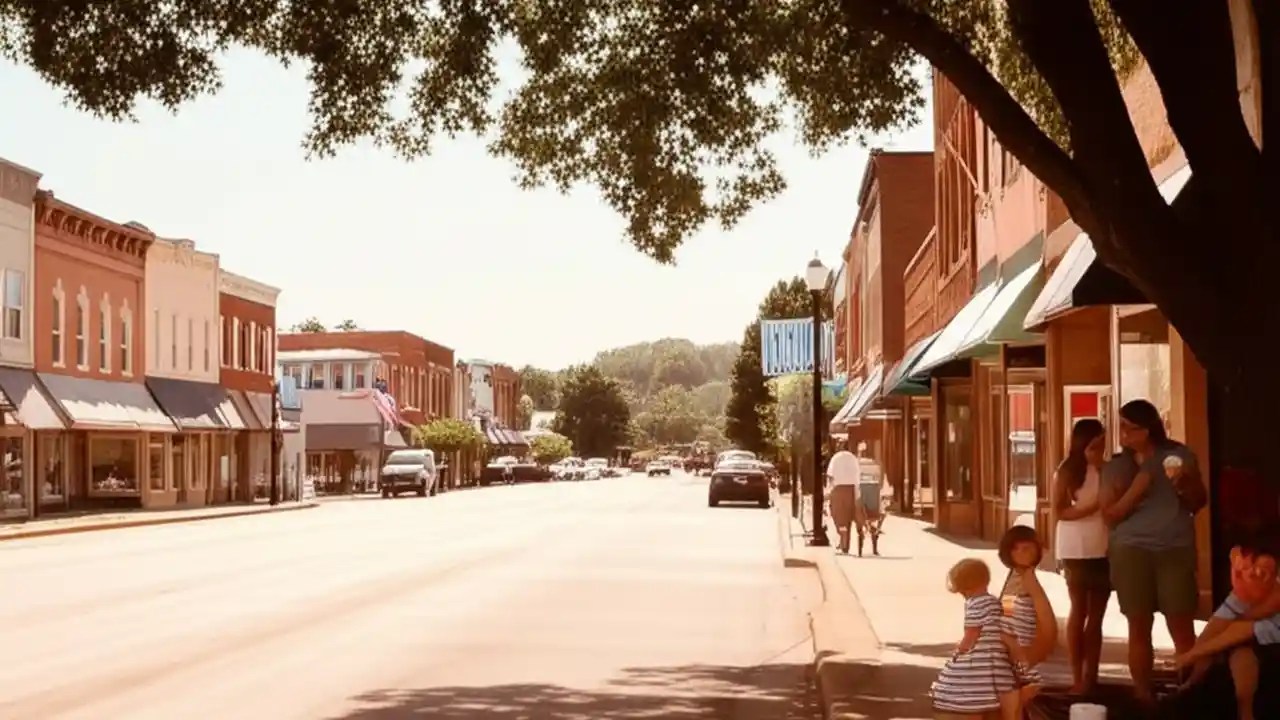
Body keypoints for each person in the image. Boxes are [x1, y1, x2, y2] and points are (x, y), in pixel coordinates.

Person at [1099, 399, 1208, 705]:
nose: (1121, 433)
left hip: (1174, 546)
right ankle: (1143, 694)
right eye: (1119, 425)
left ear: (1147, 430)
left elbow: (1199, 502)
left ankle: (1190, 692)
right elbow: (1109, 515)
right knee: (1139, 624)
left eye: (1128, 427)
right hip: (1131, 549)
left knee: (1181, 623)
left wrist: (1184, 484)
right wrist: (1138, 487)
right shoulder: (1117, 466)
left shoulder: (1178, 455)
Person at [1171, 534, 1280, 720]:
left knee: (1235, 646)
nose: (1255, 574)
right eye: (1248, 569)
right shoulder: (1242, 592)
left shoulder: (1273, 594)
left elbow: (1243, 628)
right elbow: (1214, 632)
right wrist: (1193, 672)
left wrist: (1189, 656)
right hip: (1252, 642)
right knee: (1238, 653)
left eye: (1263, 572)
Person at [1053, 418, 1111, 693]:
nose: (1100, 448)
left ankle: (1091, 676)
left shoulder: (1107, 469)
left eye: (1102, 443)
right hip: (1076, 545)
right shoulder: (1067, 470)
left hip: (1103, 544)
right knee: (1079, 609)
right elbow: (1059, 510)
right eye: (1096, 442)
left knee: (1097, 615)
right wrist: (1094, 506)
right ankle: (1077, 676)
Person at [930, 558, 1020, 719]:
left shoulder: (974, 603)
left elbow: (972, 633)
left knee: (962, 679)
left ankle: (967, 706)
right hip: (995, 656)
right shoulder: (993, 601)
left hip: (979, 658)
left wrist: (960, 651)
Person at [997, 525, 1058, 713]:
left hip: (1023, 662)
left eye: (1027, 549)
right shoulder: (1013, 578)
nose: (1020, 554)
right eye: (1015, 549)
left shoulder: (1029, 581)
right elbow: (1006, 616)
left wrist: (1031, 656)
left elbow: (1049, 627)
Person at [825, 446, 860, 554]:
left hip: (838, 489)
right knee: (848, 517)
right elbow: (858, 475)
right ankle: (845, 543)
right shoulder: (853, 458)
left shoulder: (835, 458)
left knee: (838, 516)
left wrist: (829, 490)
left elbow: (830, 476)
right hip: (850, 489)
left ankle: (842, 536)